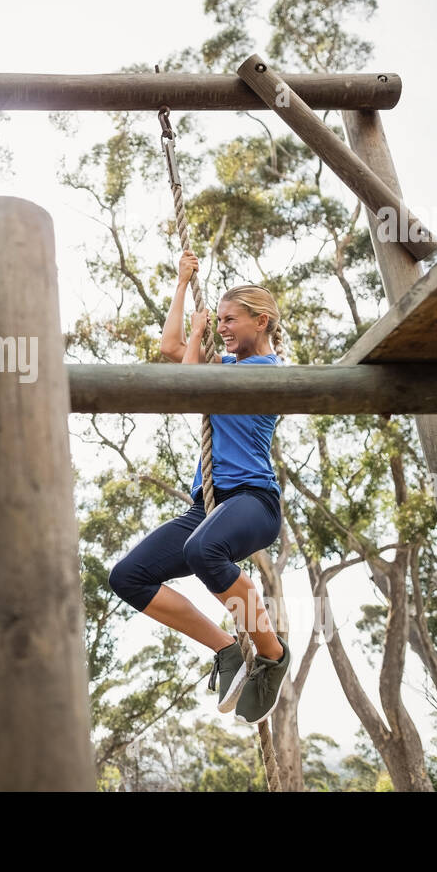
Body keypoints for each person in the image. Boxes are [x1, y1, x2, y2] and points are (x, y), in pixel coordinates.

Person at [108, 248, 291, 725]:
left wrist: (196, 336)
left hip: (253, 501)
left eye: (232, 320)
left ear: (263, 321)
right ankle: (227, 649)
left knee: (202, 551)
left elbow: (186, 383)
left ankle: (271, 656)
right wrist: (182, 284)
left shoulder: (268, 373)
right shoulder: (226, 366)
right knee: (127, 577)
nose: (224, 328)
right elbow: (172, 352)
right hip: (205, 511)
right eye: (221, 321)